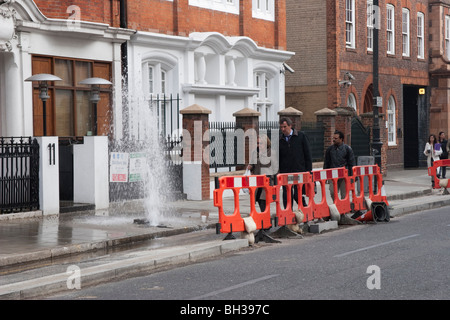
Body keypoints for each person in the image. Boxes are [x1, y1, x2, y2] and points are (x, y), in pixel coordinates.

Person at [278, 117, 312, 209]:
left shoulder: (301, 136)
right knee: (286, 195)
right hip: (285, 171)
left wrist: (309, 171)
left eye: (284, 127)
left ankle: (305, 209)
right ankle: (288, 213)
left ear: (290, 126)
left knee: (298, 194)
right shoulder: (280, 139)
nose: (283, 129)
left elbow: (307, 154)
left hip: (299, 170)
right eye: (281, 127)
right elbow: (278, 157)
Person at [247, 134, 278, 211]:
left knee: (263, 200)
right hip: (257, 181)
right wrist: (250, 166)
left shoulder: (272, 153)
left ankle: (265, 218)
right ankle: (264, 217)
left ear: (266, 143)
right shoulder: (255, 153)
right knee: (258, 199)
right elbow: (252, 164)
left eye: (261, 143)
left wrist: (274, 181)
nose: (259, 145)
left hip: (267, 180)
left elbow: (276, 168)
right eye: (257, 143)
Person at [323, 130, 355, 200]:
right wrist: (325, 176)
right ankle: (336, 204)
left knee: (344, 194)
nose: (333, 140)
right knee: (332, 192)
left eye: (336, 138)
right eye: (333, 138)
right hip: (332, 175)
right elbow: (326, 163)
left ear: (341, 139)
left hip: (344, 175)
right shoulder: (330, 149)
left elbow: (351, 163)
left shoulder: (347, 149)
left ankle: (343, 209)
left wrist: (351, 176)